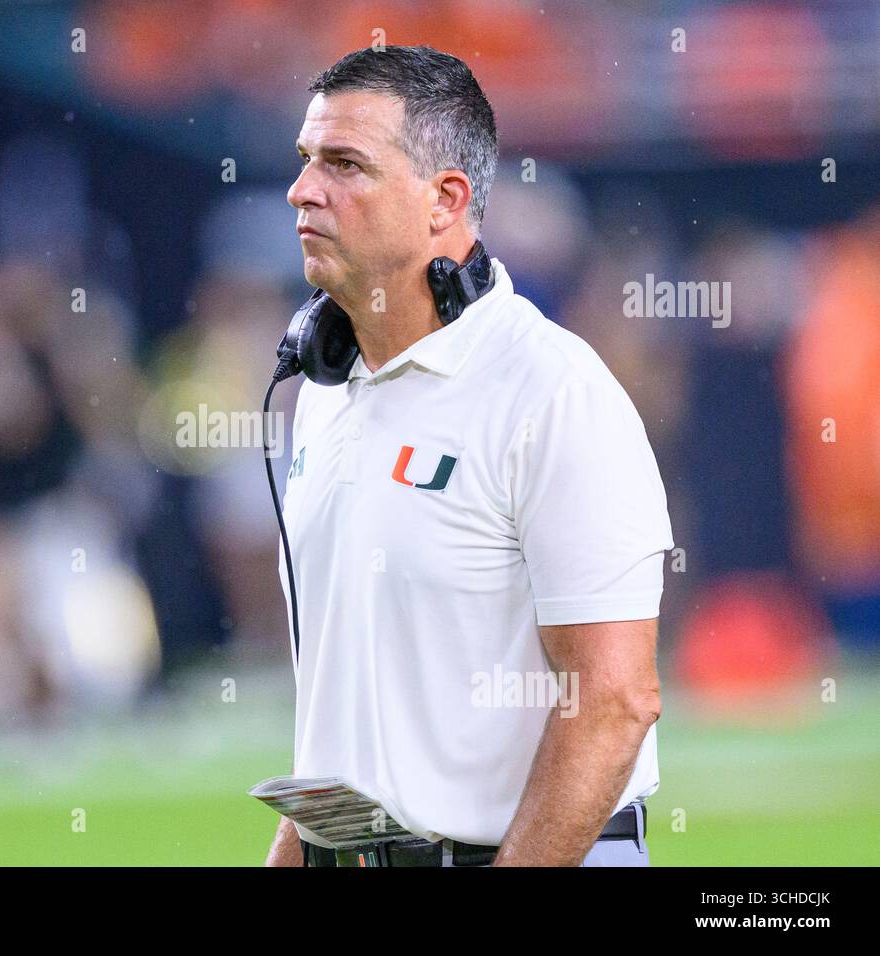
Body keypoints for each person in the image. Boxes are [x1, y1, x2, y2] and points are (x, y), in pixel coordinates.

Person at [264, 45, 672, 867]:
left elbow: (616, 700)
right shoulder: (324, 393)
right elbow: (342, 723)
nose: (303, 190)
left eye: (345, 164)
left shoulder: (553, 392)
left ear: (445, 200)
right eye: (306, 161)